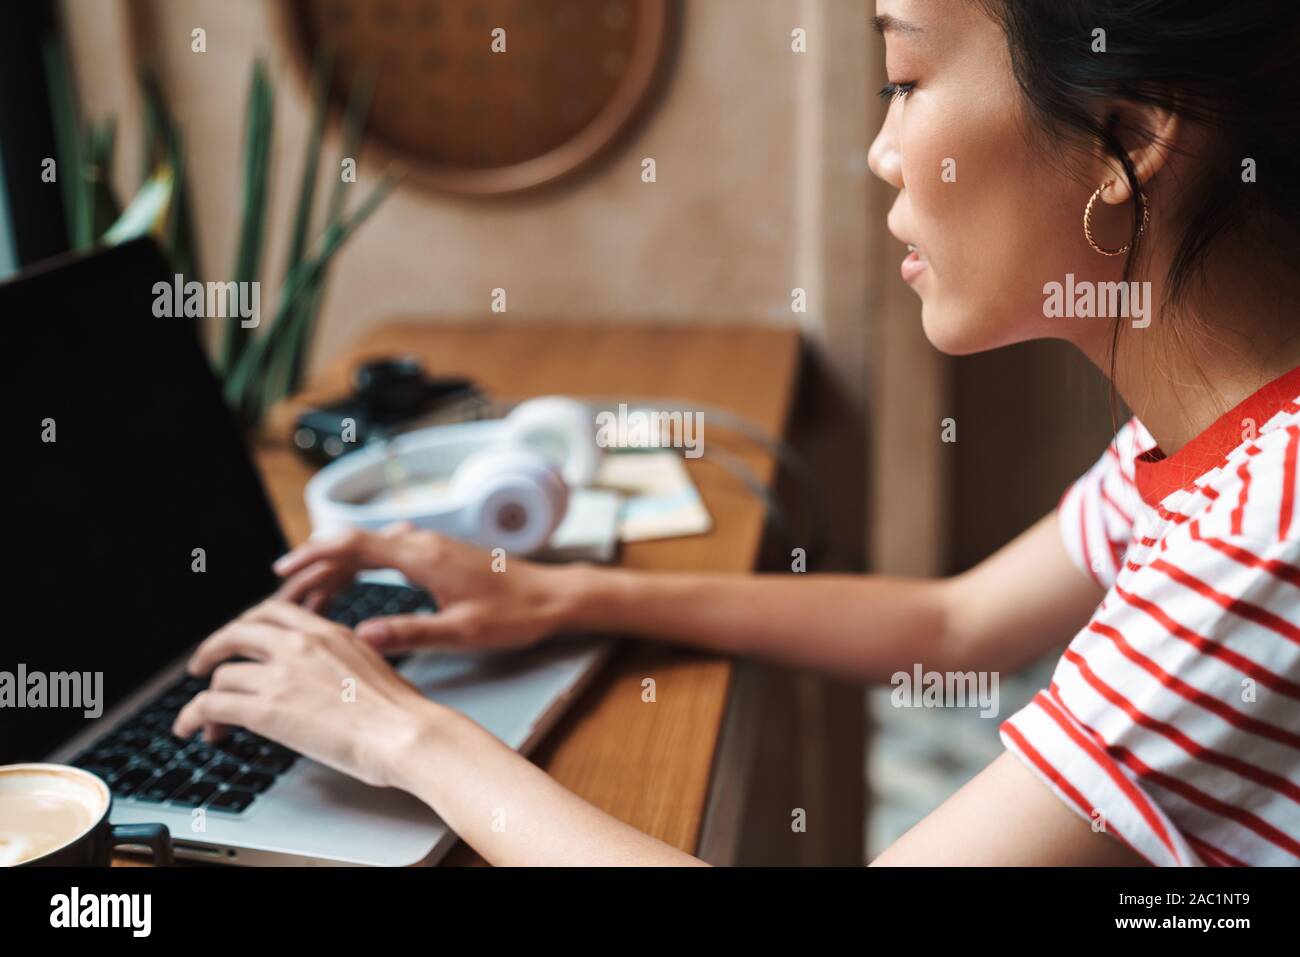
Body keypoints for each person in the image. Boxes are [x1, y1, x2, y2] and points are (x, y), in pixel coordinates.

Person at [174, 0, 1300, 865]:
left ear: (1128, 136)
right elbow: (953, 625)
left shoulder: (1259, 539)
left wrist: (400, 738)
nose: (880, 149)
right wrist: (563, 598)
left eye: (905, 78)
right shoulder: (1233, 446)